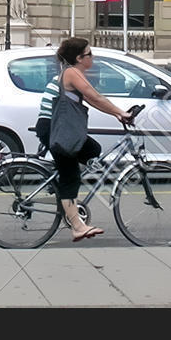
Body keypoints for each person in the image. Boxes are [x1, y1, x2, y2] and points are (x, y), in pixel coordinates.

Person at [51, 37, 133, 241]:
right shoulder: (71, 72)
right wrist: (120, 112)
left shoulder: (73, 72)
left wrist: (115, 113)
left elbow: (91, 99)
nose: (92, 57)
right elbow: (94, 95)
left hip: (63, 129)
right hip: (60, 131)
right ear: (79, 58)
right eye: (89, 54)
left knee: (93, 149)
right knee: (70, 177)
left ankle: (66, 196)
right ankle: (76, 225)